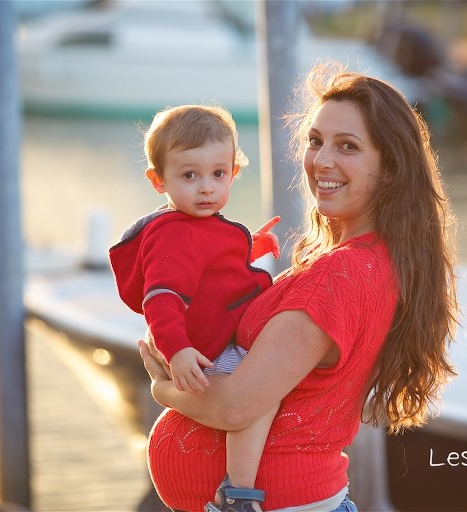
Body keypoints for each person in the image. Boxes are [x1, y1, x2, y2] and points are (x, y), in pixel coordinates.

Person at [138, 63, 459, 512]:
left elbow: (234, 407)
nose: (321, 161)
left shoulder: (339, 276)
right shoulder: (367, 260)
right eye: (315, 141)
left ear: (390, 168)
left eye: (347, 146)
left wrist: (161, 388)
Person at [109, 105, 281, 511]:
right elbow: (162, 297)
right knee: (258, 398)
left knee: (262, 392)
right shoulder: (173, 235)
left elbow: (213, 265)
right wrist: (178, 349)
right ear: (158, 180)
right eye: (190, 175)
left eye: (218, 174)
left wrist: (253, 246)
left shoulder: (199, 224)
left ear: (233, 172)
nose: (206, 187)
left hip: (221, 335)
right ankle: (239, 494)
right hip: (211, 348)